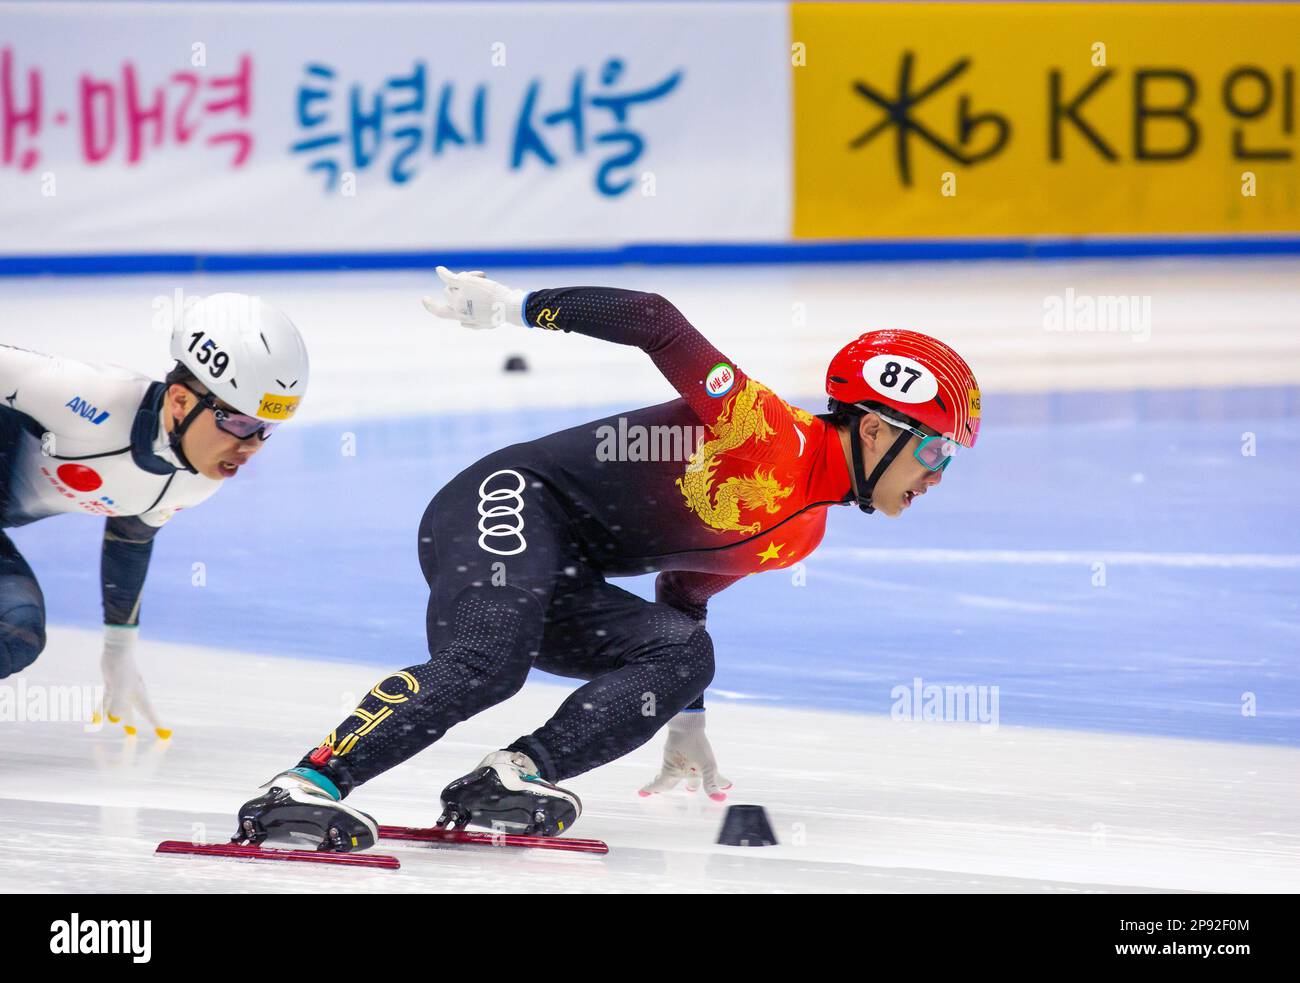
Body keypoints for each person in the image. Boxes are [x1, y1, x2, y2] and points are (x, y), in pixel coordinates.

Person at [235, 268, 979, 850]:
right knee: (491, 659)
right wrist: (516, 308)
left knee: (689, 653)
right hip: (503, 502)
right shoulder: (766, 432)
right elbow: (655, 321)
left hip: (563, 572)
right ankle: (306, 782)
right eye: (935, 449)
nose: (939, 475)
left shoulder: (800, 534)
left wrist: (683, 720)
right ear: (878, 429)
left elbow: (681, 598)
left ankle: (509, 778)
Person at [0, 293, 309, 737]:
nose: (252, 445)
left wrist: (118, 649)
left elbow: (131, 537)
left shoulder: (197, 482)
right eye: (240, 423)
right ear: (181, 401)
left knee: (16, 634)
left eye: (267, 430)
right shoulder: (88, 397)